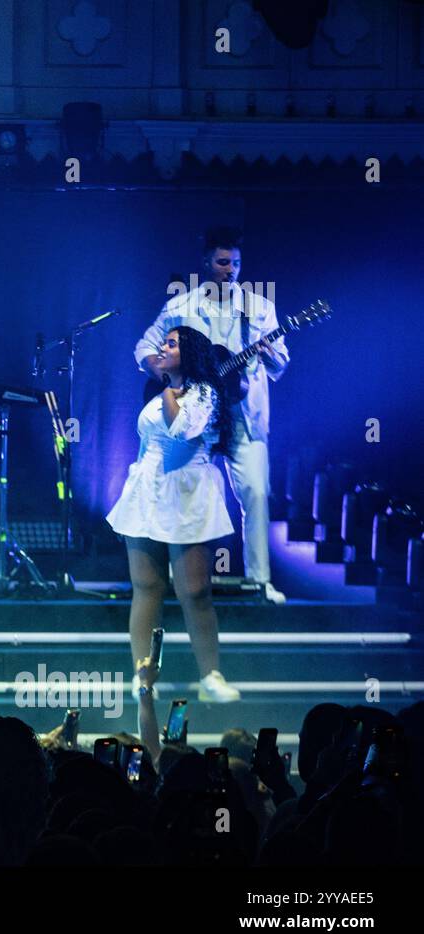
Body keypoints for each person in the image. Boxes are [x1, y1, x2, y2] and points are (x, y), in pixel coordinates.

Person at [135, 227, 290, 604]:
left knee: (256, 492)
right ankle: (173, 578)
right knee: (180, 490)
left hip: (242, 416)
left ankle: (260, 582)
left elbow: (281, 363)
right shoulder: (181, 307)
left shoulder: (259, 307)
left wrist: (270, 354)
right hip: (196, 413)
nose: (230, 270)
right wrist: (166, 375)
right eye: (223, 262)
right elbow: (144, 346)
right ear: (206, 263)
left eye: (236, 263)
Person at [108, 326, 241, 703]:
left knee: (194, 591)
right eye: (163, 343)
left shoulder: (204, 393)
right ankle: (142, 675)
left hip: (186, 492)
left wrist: (169, 389)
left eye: (171, 344)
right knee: (146, 588)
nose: (163, 349)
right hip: (148, 491)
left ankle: (210, 676)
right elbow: (146, 444)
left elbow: (181, 430)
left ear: (190, 354)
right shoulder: (161, 392)